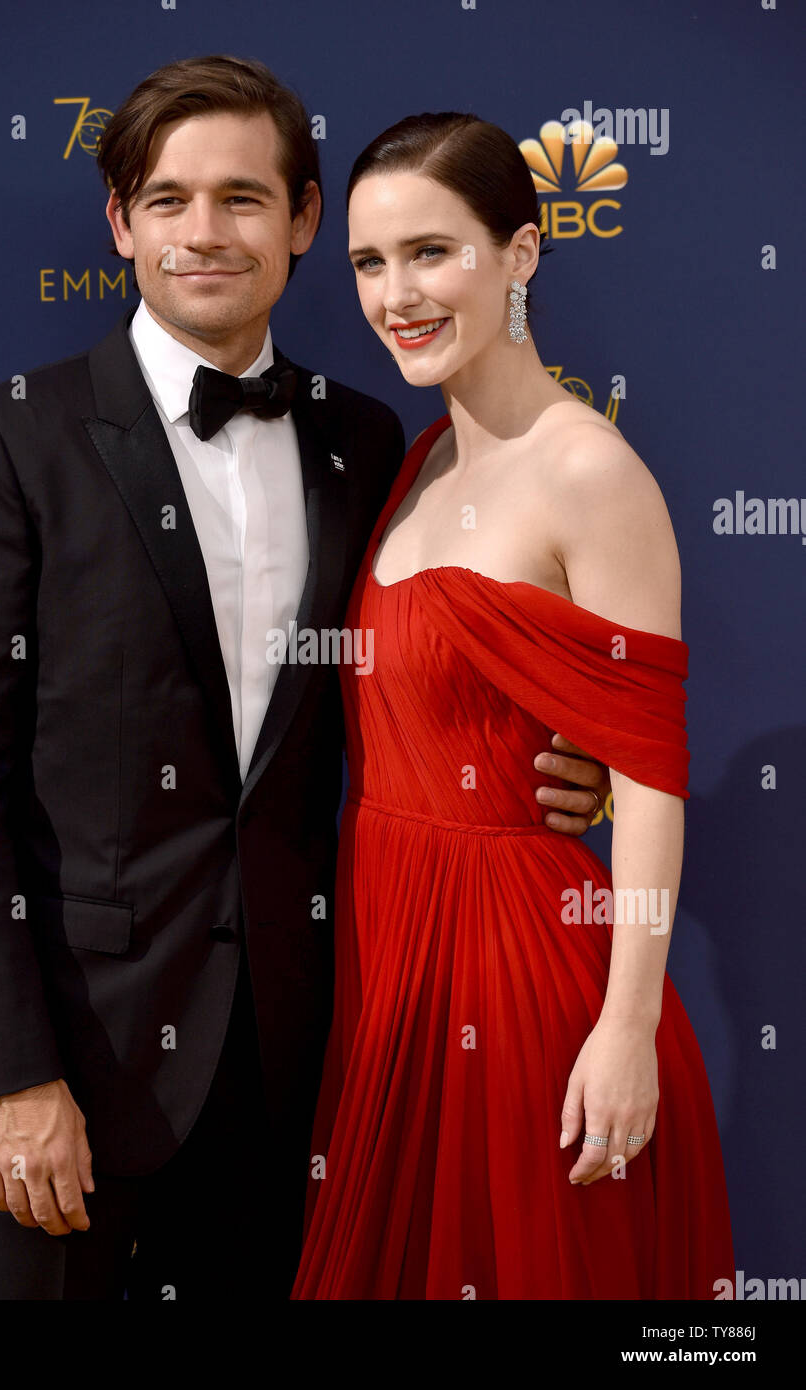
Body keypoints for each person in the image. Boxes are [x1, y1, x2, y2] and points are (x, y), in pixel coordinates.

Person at [0, 60, 606, 1301]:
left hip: (296, 1066)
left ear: (304, 221)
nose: (203, 234)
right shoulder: (3, 439)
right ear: (120, 226)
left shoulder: (368, 438)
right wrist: (10, 1079)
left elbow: (407, 681)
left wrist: (558, 757)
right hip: (67, 1071)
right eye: (166, 201)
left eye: (240, 197)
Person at [291, 112, 735, 1300]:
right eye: (371, 264)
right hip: (396, 951)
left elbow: (647, 774)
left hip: (520, 965)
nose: (397, 294)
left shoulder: (589, 470)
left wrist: (627, 1025)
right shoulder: (423, 453)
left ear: (523, 255)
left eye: (433, 253)